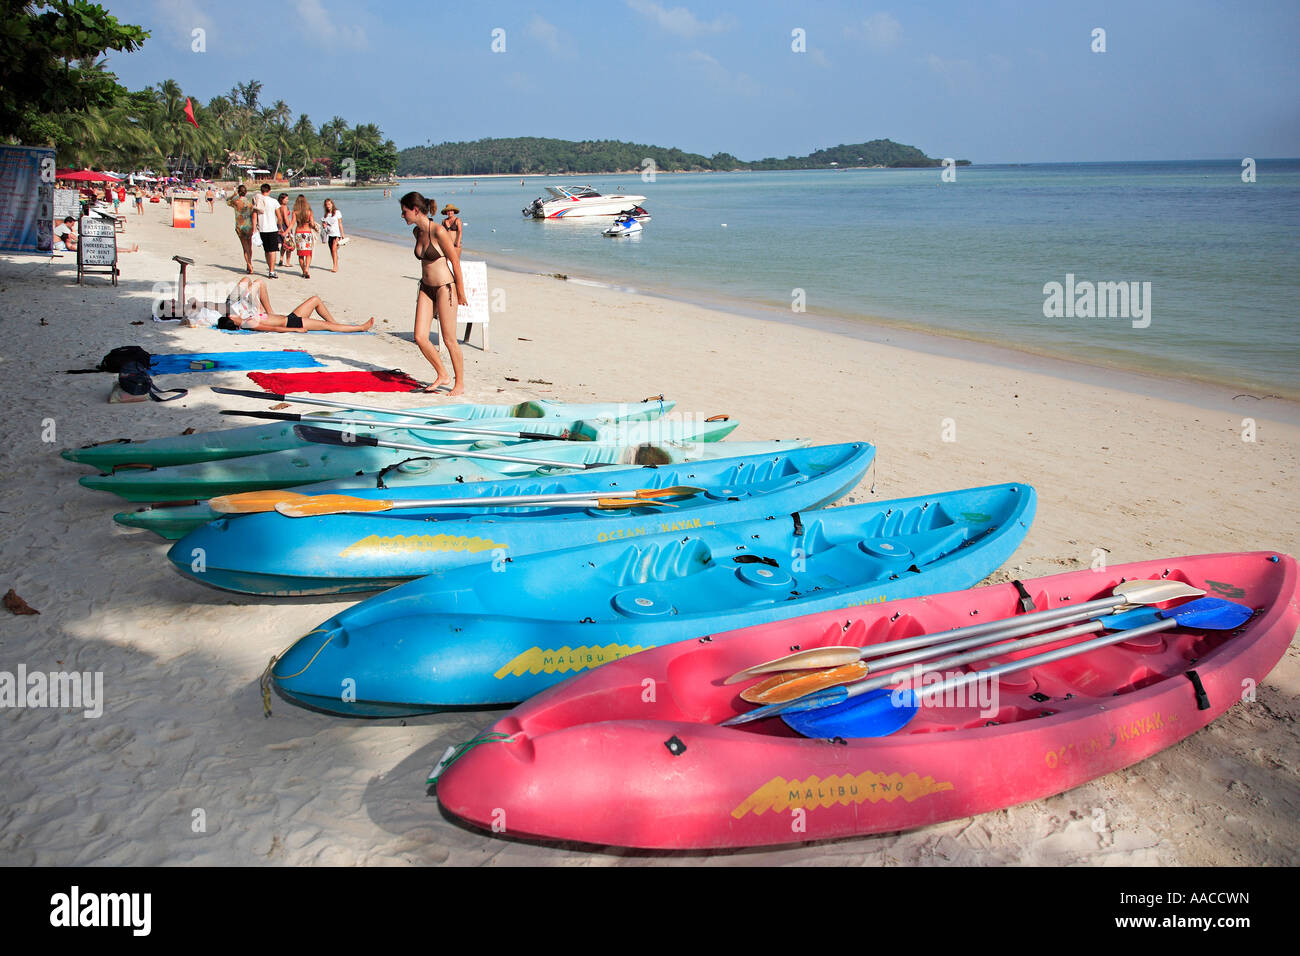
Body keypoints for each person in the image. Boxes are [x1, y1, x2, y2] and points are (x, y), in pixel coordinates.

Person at [400, 191, 467, 394]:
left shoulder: (438, 231)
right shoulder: (416, 232)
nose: (402, 215)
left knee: (449, 339)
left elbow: (455, 261)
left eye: (404, 211)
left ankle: (460, 383)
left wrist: (461, 292)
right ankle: (442, 374)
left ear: (415, 210)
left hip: (445, 287)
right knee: (420, 336)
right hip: (426, 287)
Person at [225, 276, 374, 332]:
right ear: (233, 320)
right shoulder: (248, 323)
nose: (232, 314)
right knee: (327, 326)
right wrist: (295, 330)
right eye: (231, 316)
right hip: (292, 323)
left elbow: (248, 282)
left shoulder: (245, 316)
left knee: (315, 299)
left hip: (290, 317)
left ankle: (336, 324)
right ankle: (360, 328)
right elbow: (272, 328)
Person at [226, 183, 256, 274]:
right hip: (249, 226)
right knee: (249, 246)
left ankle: (249, 265)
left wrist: (234, 195)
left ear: (239, 192)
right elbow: (253, 213)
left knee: (245, 247)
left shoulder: (236, 201)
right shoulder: (250, 203)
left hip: (240, 226)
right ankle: (249, 263)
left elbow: (227, 201)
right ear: (246, 192)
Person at [253, 183, 280, 278]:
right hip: (272, 228)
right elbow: (279, 216)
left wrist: (254, 229)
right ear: (269, 190)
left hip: (262, 228)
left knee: (267, 250)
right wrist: (280, 226)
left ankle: (270, 269)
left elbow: (254, 216)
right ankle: (272, 271)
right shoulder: (274, 201)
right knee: (273, 250)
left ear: (261, 191)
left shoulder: (257, 200)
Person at [291, 195, 316, 278]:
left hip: (298, 233)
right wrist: (314, 226)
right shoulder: (309, 212)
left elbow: (292, 223)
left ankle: (303, 271)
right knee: (308, 253)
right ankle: (307, 269)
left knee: (301, 254)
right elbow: (312, 224)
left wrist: (286, 232)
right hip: (307, 233)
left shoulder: (295, 212)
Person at [320, 198, 344, 272]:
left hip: (336, 234)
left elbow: (340, 224)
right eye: (326, 205)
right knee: (332, 251)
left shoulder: (337, 212)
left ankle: (335, 267)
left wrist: (342, 234)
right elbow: (324, 225)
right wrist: (324, 225)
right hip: (329, 234)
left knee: (333, 249)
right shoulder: (326, 215)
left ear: (332, 204)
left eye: (329, 204)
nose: (328, 206)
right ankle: (335, 263)